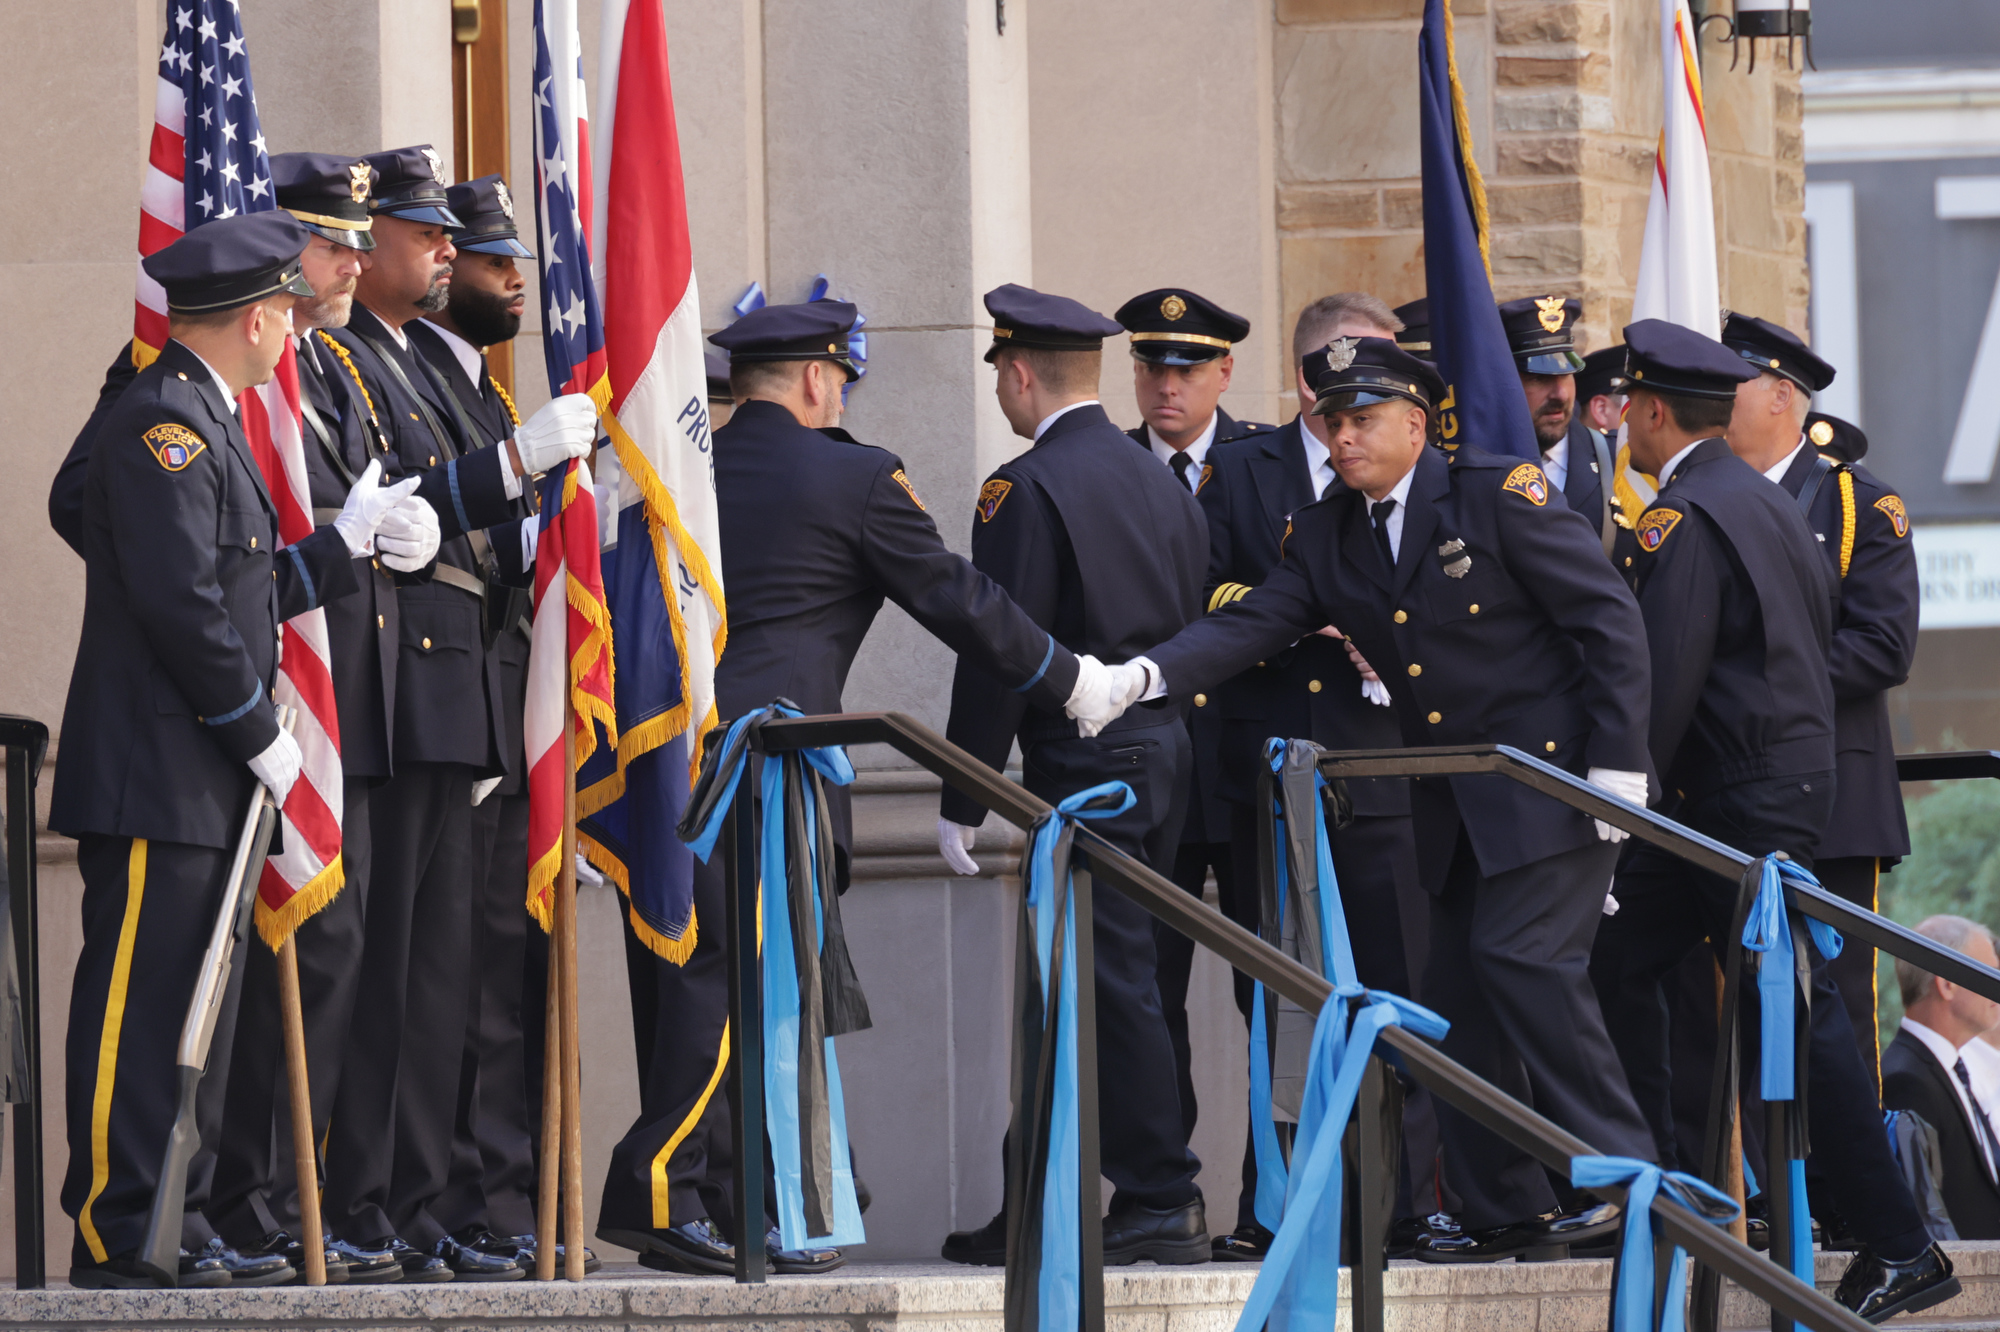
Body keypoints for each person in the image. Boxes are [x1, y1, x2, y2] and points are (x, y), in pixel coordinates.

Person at [1102, 334, 1657, 1263]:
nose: (1341, 436)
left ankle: (1624, 1178)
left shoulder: (1496, 494)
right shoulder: (1325, 532)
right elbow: (1251, 625)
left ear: (1415, 424)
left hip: (1555, 785)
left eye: (1361, 419)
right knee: (1455, 997)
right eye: (1330, 418)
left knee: (1521, 958)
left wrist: (1619, 764)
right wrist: (1141, 678)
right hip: (1454, 800)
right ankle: (1504, 1206)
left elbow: (1608, 620)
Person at [598, 299, 1112, 1276]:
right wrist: (1070, 678)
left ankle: (742, 1199)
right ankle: (661, 1185)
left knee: (694, 980)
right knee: (744, 985)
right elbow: (961, 602)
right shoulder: (854, 475)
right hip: (768, 768)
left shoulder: (673, 467)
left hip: (660, 759)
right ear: (817, 381)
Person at [49, 211, 416, 1288]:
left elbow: (243, 595)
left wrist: (337, 549)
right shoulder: (164, 424)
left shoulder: (207, 422)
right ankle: (122, 1230)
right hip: (159, 772)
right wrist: (261, 731)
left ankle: (182, 1216)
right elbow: (182, 608)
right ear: (258, 319)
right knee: (141, 1004)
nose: (294, 336)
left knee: (192, 1013)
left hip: (199, 774)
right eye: (289, 318)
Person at [1586, 319, 1956, 1322]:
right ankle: (1666, 1181)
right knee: (1632, 964)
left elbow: (1663, 673)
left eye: (1628, 407)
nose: (1620, 422)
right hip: (1760, 792)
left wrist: (1616, 791)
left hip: (1731, 802)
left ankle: (1891, 1240)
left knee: (1791, 1012)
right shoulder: (1755, 499)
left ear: (1653, 413)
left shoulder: (1688, 514)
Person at [317, 145, 597, 1283]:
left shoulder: (432, 370)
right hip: (394, 700)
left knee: (437, 980)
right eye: (424, 233)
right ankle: (361, 1201)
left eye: (449, 235)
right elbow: (377, 508)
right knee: (388, 973)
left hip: (456, 701)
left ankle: (411, 1202)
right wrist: (503, 475)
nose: (442, 251)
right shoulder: (345, 360)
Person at [202, 153, 439, 1287]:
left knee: (337, 959)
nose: (352, 257)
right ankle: (237, 1205)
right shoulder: (201, 376)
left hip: (338, 700)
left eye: (355, 241)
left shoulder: (322, 365)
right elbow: (89, 500)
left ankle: (289, 1199)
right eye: (336, 239)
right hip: (251, 705)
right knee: (253, 972)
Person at [936, 284, 1210, 1268]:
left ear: (1017, 374)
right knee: (1093, 978)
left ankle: (1156, 1192)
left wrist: (960, 792)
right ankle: (1040, 1194)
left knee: (1105, 976)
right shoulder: (1159, 482)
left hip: (1089, 762)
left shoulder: (1024, 487)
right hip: (1163, 747)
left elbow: (1000, 645)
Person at [1192, 292, 1433, 1260]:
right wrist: (1300, 615)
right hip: (1277, 766)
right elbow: (1203, 584)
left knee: (1397, 984)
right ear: (1300, 379)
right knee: (1277, 994)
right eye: (1330, 379)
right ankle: (1277, 1203)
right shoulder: (1241, 466)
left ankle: (1413, 1204)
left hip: (1389, 769)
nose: (1346, 406)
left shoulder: (1419, 472)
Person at [403, 173, 594, 1274]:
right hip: (454, 703)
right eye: (488, 259)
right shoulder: (411, 375)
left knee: (504, 977)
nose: (513, 277)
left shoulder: (484, 389)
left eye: (518, 259)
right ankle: (466, 1202)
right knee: (461, 987)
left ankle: (505, 1196)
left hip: (507, 707)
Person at [1111, 286, 1275, 1249]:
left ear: (1223, 373)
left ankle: (1271, 1204)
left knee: (1271, 995)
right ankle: (1158, 1194)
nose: (1166, 385)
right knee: (1144, 991)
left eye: (1187, 367)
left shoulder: (1266, 464)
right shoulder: (1106, 467)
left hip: (1248, 764)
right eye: (1150, 366)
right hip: (1149, 765)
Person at [1722, 314, 1919, 1087]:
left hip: (1835, 795)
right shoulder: (1704, 497)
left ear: (1781, 396)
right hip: (1726, 792)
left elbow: (1882, 646)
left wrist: (1753, 684)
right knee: (1734, 1004)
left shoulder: (1858, 503)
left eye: (1729, 381)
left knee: (1834, 1000)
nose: (1713, 396)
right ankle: (1760, 1201)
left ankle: (1850, 1205)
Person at [1883, 916, 2000, 1240]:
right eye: (1989, 972)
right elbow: (1925, 1221)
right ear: (1946, 985)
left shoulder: (1947, 1070)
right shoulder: (1907, 1081)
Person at [1498, 296, 1618, 554]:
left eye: (1566, 375)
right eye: (1539, 379)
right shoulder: (1477, 467)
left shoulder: (1617, 461)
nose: (1560, 395)